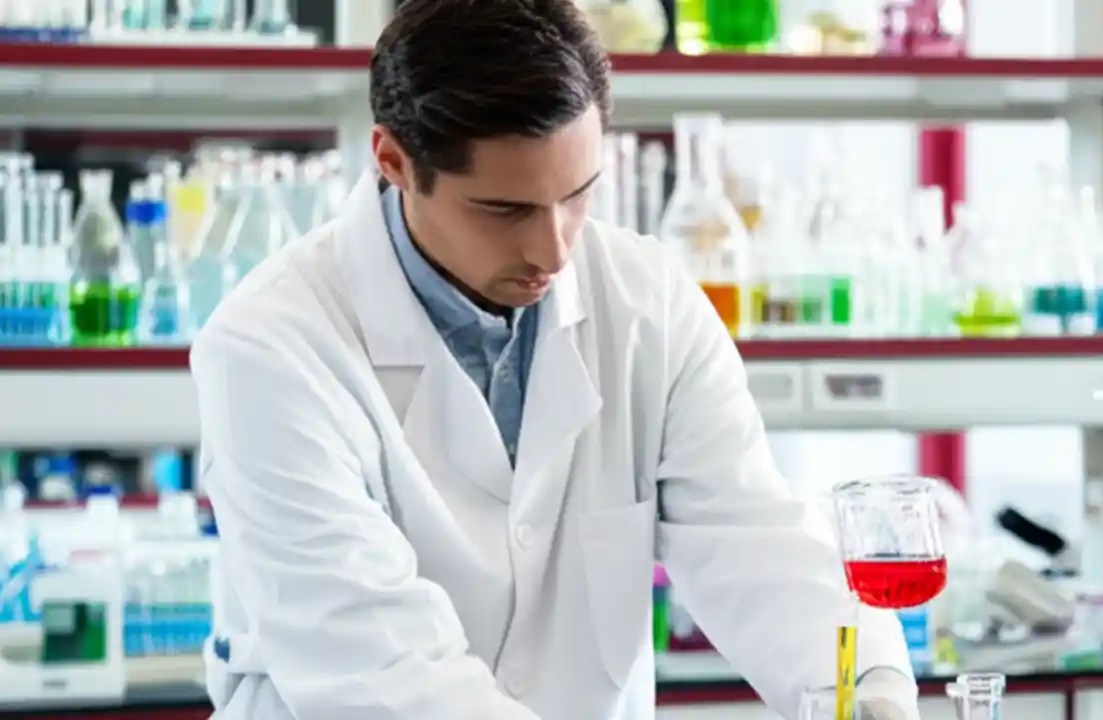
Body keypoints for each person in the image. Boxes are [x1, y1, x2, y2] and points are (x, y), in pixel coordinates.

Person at [190, 1, 921, 718]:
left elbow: (757, 541)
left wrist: (869, 689)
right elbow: (384, 671)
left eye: (578, 195)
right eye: (505, 211)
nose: (555, 249)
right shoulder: (269, 349)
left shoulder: (647, 301)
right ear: (393, 161)